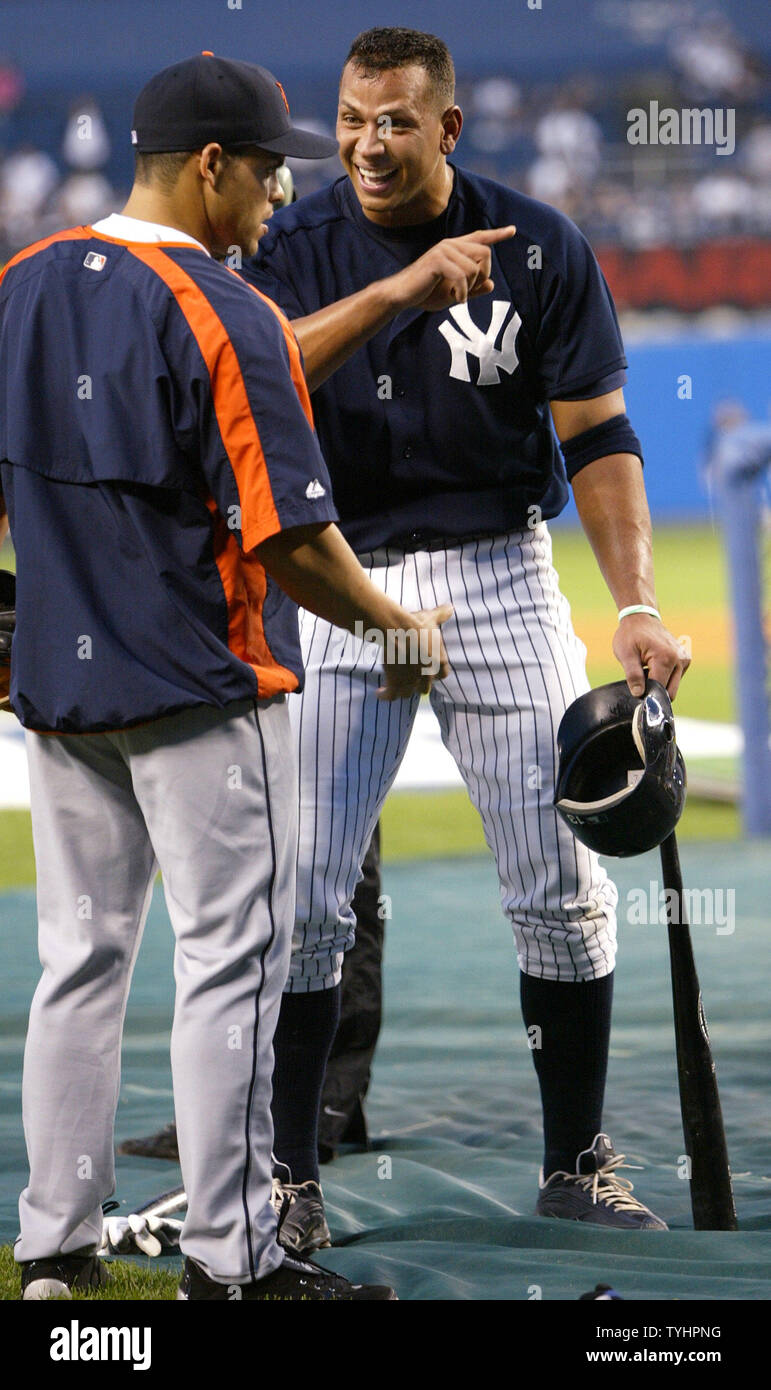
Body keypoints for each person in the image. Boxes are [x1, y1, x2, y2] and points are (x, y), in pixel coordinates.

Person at [0, 52, 463, 1302]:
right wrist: (391, 624)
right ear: (210, 166)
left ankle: (55, 1248)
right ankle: (238, 1256)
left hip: (59, 697)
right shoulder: (228, 310)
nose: (274, 200)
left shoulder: (20, 282)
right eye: (265, 173)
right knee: (232, 969)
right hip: (200, 691)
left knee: (80, 962)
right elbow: (291, 541)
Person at [242, 26, 691, 1249]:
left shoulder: (540, 245)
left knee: (566, 890)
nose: (365, 144)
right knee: (306, 905)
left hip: (502, 573)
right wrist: (395, 291)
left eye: (393, 121)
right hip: (346, 581)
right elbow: (262, 375)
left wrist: (637, 603)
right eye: (349, 118)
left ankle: (575, 1159)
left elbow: (598, 434)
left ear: (447, 128)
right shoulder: (289, 246)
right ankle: (286, 1176)